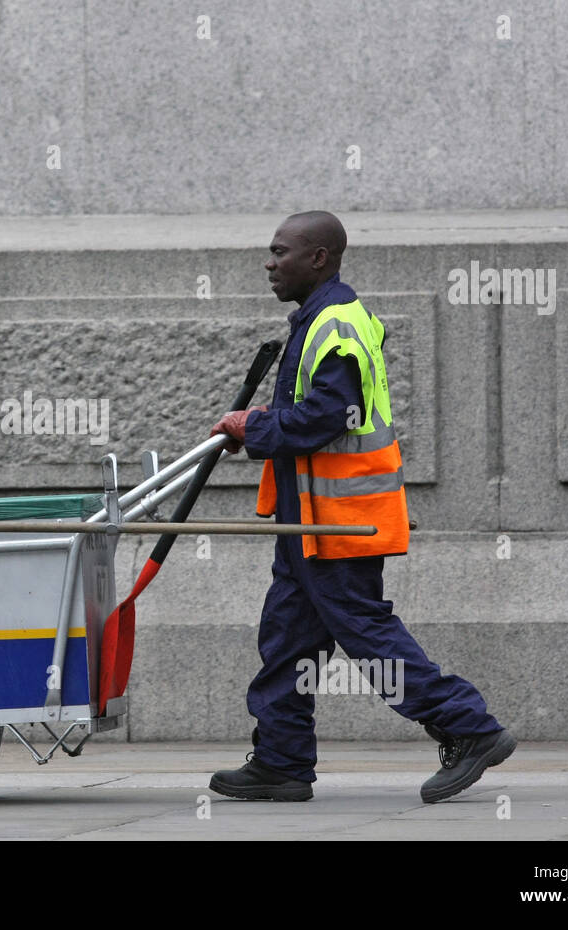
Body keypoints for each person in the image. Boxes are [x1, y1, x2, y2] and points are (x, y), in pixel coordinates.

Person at [207, 211, 514, 803]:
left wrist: (256, 427)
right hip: (309, 523)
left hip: (337, 524)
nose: (269, 263)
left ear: (318, 258)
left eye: (281, 252)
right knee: (287, 641)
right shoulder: (321, 320)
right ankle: (281, 762)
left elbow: (324, 419)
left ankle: (469, 727)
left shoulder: (337, 326)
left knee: (367, 635)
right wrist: (261, 429)